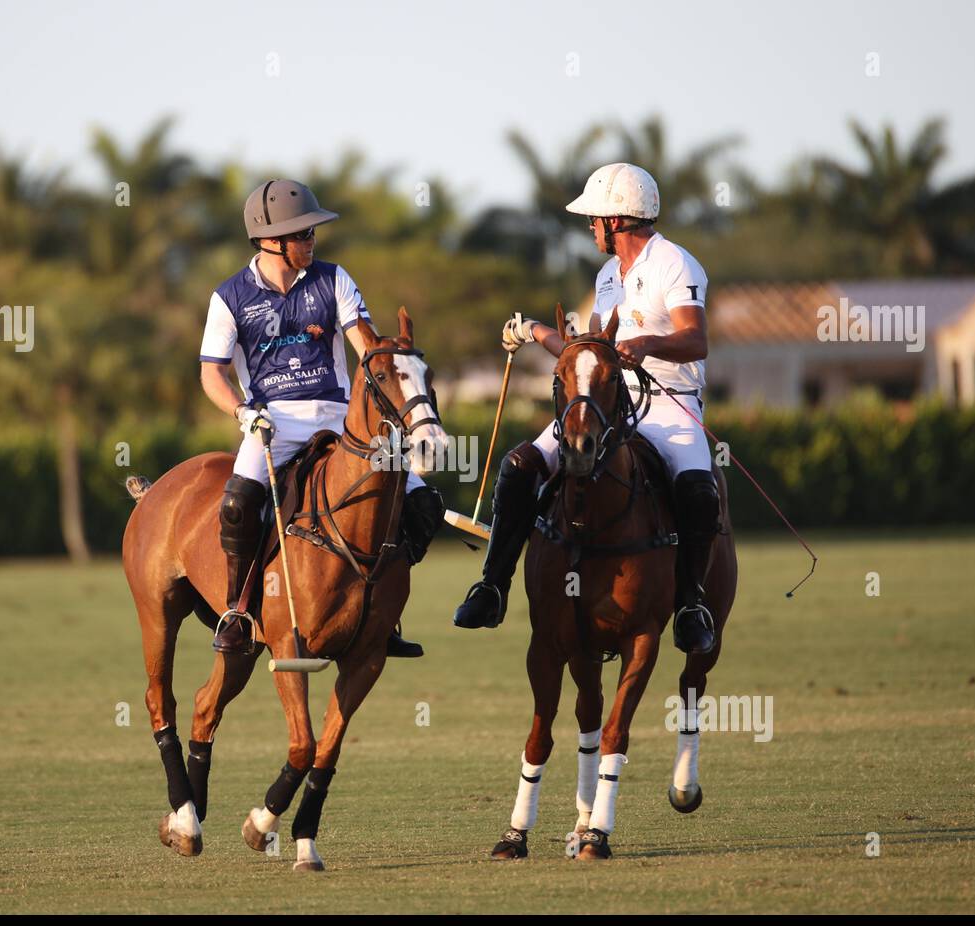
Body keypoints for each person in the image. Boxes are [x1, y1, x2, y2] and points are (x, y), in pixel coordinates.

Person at [453, 163, 721, 654]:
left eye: (594, 219)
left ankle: (690, 605)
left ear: (616, 220)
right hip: (610, 406)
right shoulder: (606, 277)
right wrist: (534, 331)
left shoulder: (674, 263)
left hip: (670, 405)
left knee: (699, 489)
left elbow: (697, 339)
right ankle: (492, 587)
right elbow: (590, 352)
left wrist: (646, 344)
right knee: (519, 467)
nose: (590, 227)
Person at [199, 179, 443, 656]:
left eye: (312, 233)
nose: (311, 242)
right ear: (270, 240)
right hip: (273, 423)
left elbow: (367, 350)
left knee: (422, 506)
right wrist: (243, 414)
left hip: (340, 418)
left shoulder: (334, 280)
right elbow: (212, 375)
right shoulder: (229, 297)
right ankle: (238, 611)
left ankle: (382, 612)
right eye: (302, 234)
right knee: (237, 504)